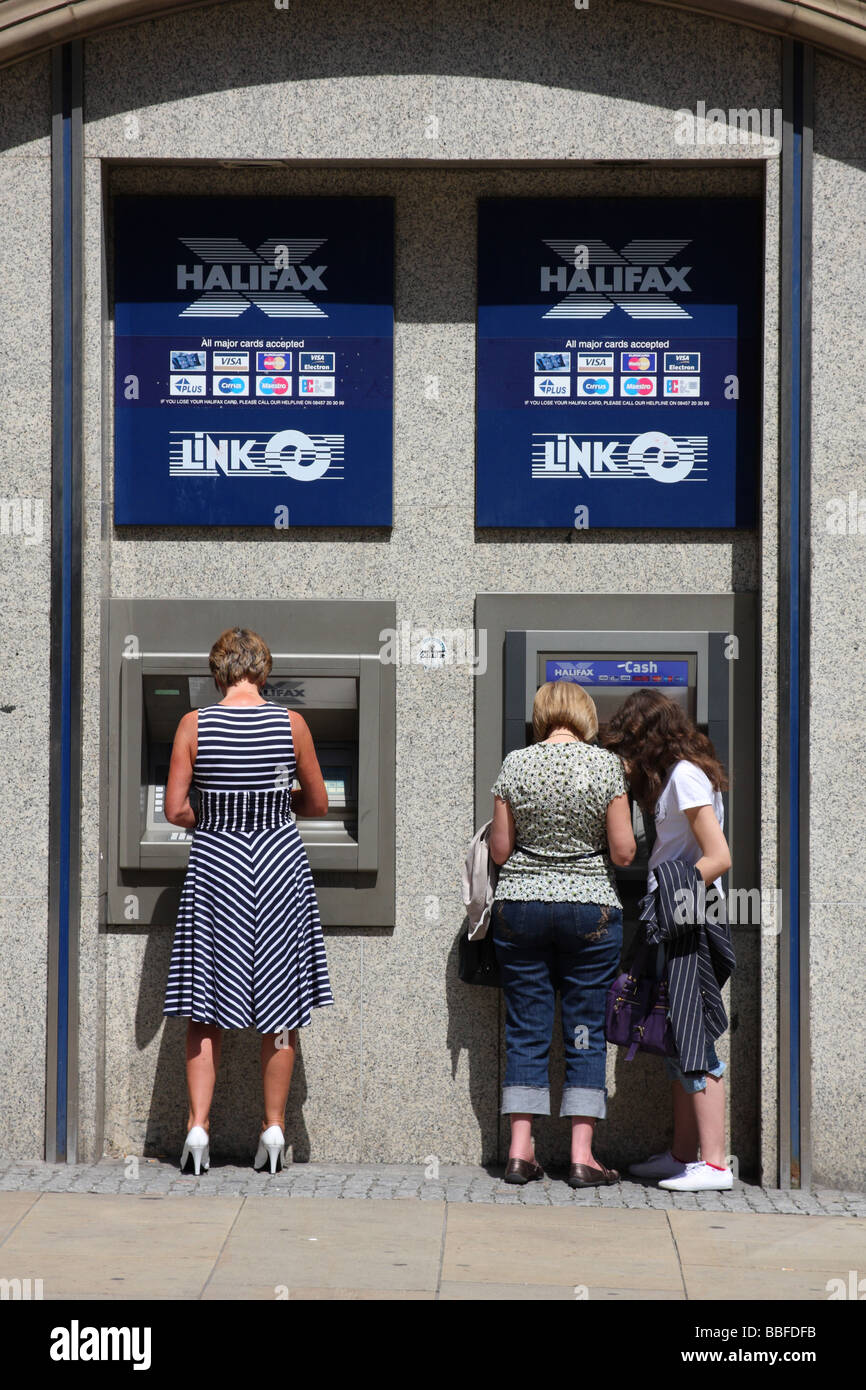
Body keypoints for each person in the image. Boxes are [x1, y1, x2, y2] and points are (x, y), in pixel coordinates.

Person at [162, 627, 334, 1175]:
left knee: (200, 1006)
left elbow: (173, 809)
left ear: (217, 672)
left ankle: (197, 1129)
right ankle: (275, 1126)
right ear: (263, 671)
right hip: (279, 869)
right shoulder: (292, 723)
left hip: (216, 868)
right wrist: (272, 812)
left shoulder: (194, 725)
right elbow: (319, 803)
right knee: (279, 1010)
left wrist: (215, 819)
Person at [488, 680, 636, 1187]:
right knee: (584, 1029)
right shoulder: (605, 766)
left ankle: (519, 1153)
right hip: (589, 910)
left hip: (521, 908)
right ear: (585, 715)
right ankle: (580, 1158)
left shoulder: (515, 763)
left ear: (541, 713)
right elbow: (622, 853)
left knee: (526, 1028)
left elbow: (501, 851)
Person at [603, 688, 735, 1192]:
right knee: (679, 1031)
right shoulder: (677, 777)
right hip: (679, 915)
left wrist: (671, 903)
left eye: (630, 745)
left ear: (649, 738)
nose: (626, 758)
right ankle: (684, 1156)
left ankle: (716, 1164)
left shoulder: (684, 776)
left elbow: (718, 856)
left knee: (694, 1030)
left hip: (689, 917)